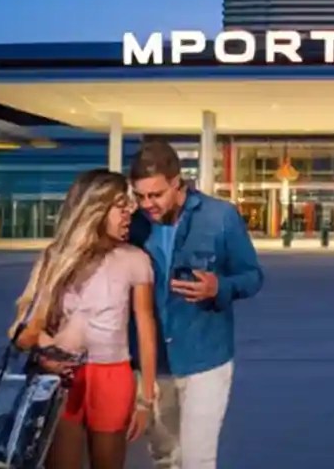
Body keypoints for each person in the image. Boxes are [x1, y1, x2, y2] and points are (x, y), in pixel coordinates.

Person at [126, 138, 265, 469]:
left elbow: (253, 276)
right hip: (150, 365)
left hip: (206, 359)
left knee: (197, 460)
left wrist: (220, 286)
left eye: (156, 195)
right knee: (164, 457)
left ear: (178, 183)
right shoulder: (132, 223)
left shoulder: (221, 217)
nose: (147, 204)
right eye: (140, 195)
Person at [10, 168, 160, 469]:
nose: (130, 212)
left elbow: (146, 329)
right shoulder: (56, 259)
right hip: (62, 380)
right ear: (96, 209)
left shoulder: (135, 259)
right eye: (121, 206)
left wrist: (145, 399)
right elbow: (22, 331)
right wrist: (45, 352)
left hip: (113, 375)